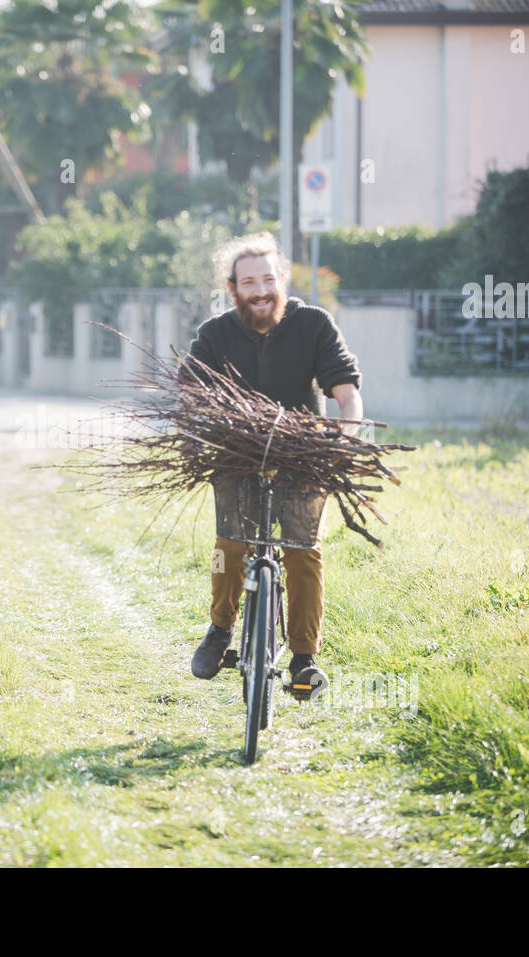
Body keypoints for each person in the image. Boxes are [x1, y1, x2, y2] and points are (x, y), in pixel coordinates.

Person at [183, 233, 363, 696]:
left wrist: (346, 434)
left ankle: (304, 659)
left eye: (268, 278)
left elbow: (344, 389)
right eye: (249, 282)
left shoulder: (314, 324)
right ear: (233, 288)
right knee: (230, 545)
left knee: (303, 552)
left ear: (282, 279)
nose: (260, 290)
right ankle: (220, 630)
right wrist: (194, 431)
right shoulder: (214, 334)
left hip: (303, 456)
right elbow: (189, 393)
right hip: (237, 457)